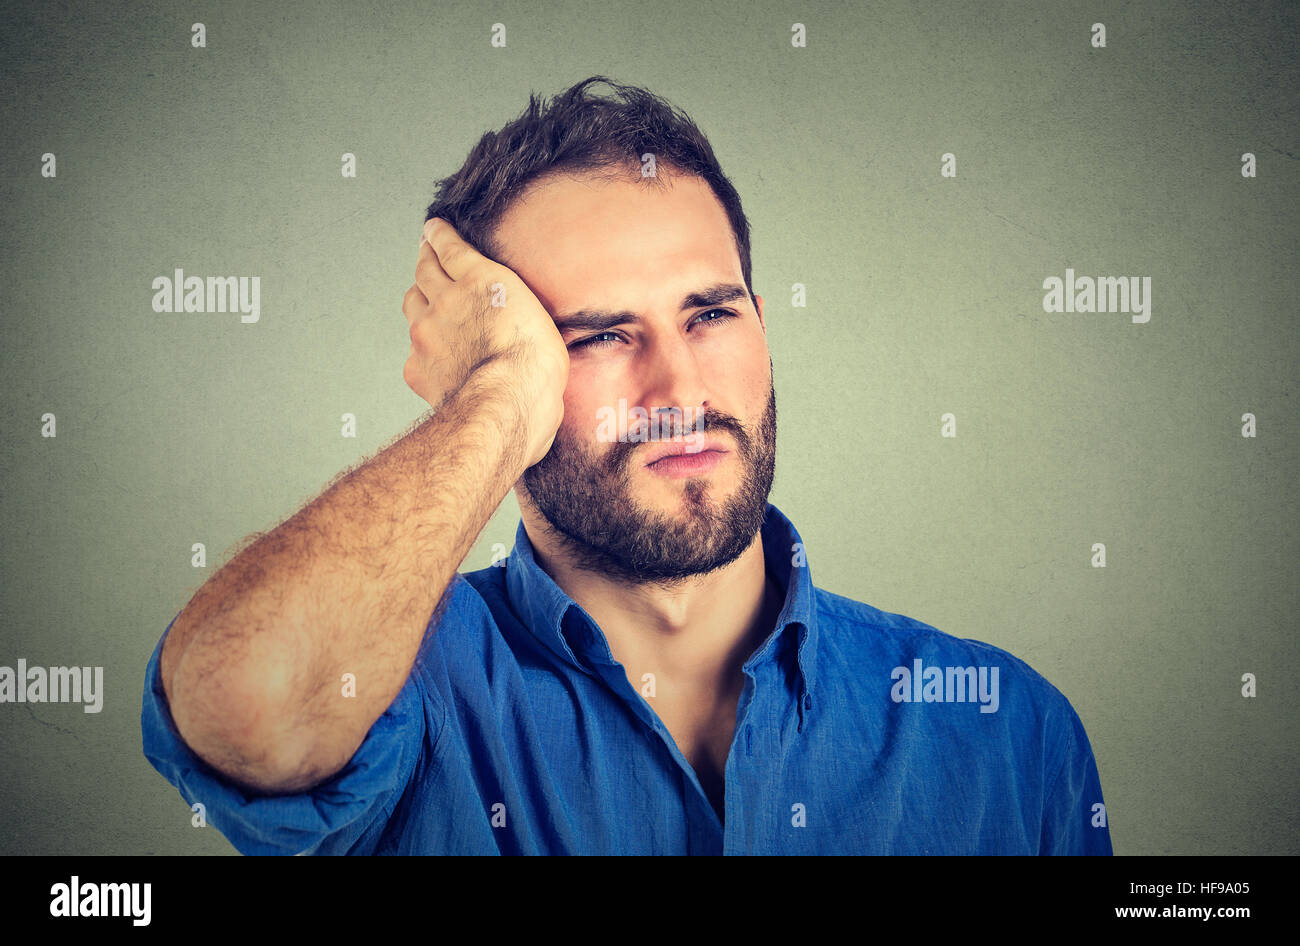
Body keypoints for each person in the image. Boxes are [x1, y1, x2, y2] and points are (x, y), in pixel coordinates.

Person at [142, 76, 1113, 855]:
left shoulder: (1006, 734)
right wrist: (501, 394)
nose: (678, 384)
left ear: (763, 327)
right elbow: (243, 701)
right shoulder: (400, 695)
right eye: (599, 335)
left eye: (711, 313)